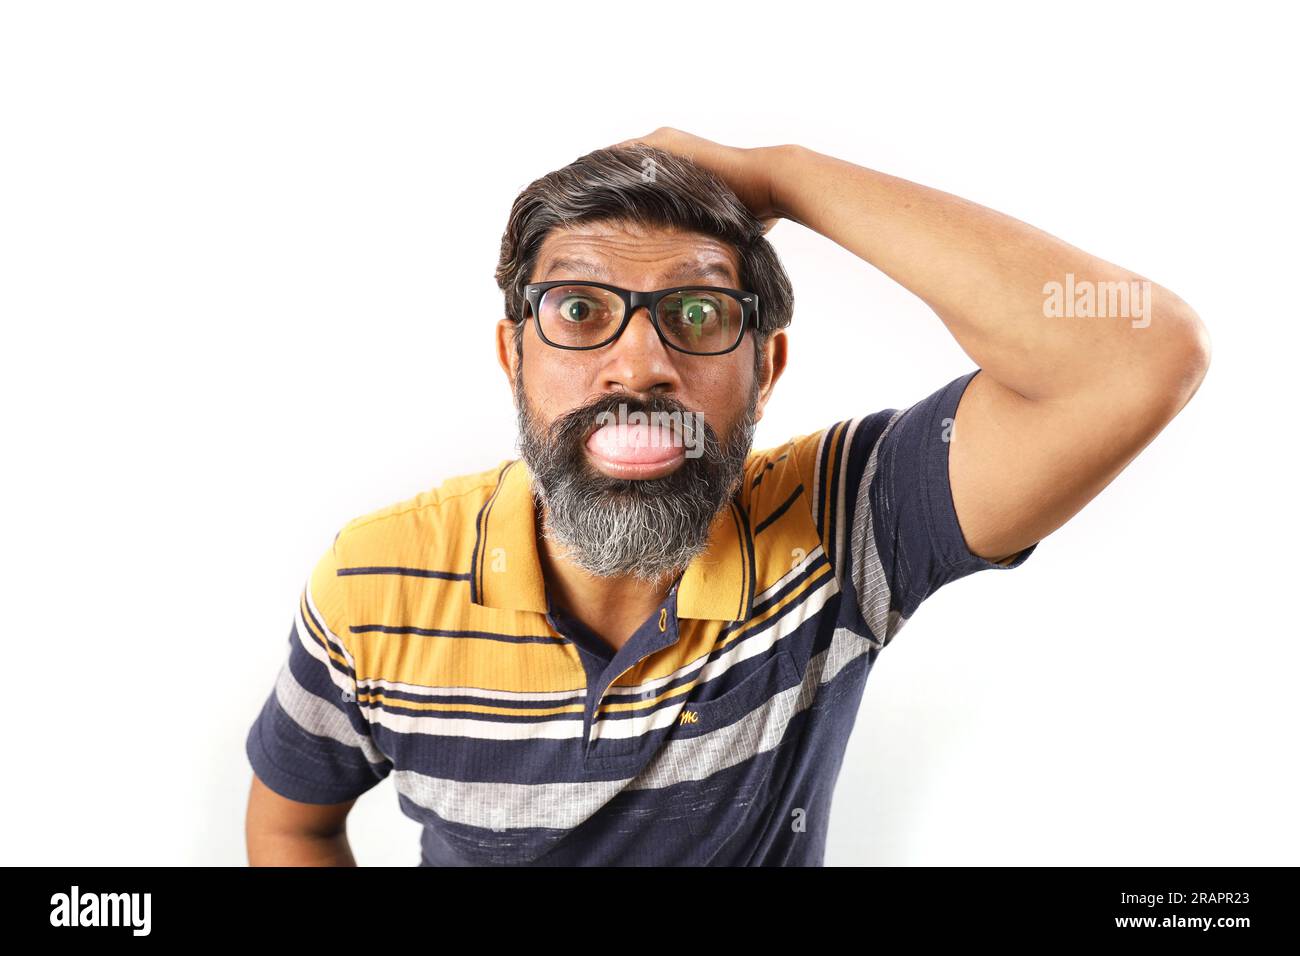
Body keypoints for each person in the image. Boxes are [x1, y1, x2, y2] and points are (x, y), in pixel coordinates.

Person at [243, 128, 1210, 866]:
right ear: (513, 356)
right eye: (580, 311)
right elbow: (292, 829)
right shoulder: (374, 582)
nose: (640, 365)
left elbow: (1140, 349)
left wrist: (779, 175)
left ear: (766, 366)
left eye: (698, 314)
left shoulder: (840, 523)